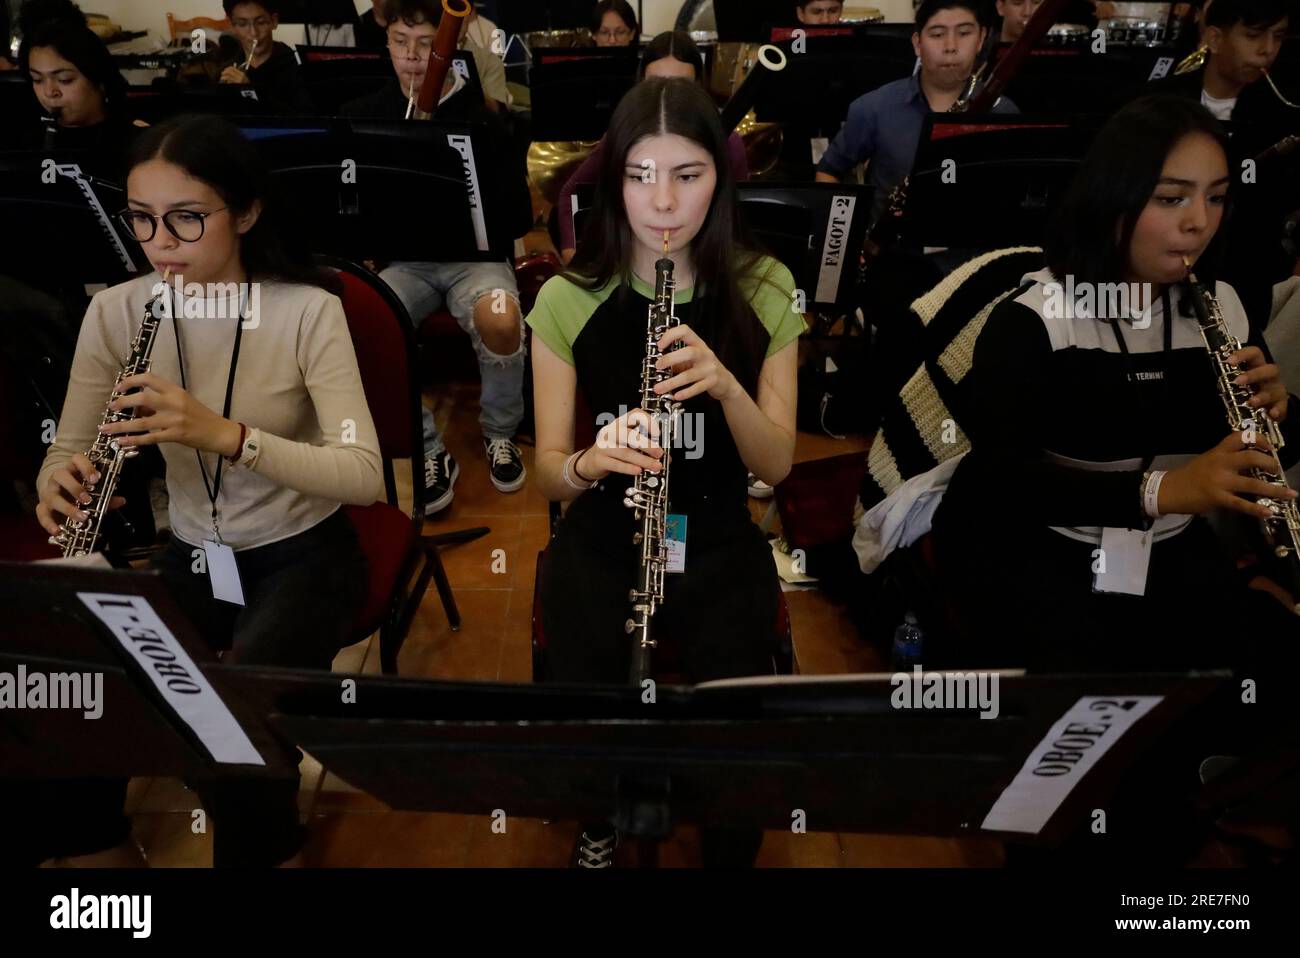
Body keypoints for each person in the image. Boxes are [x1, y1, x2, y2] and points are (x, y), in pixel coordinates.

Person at [29, 113, 382, 867]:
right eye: (143, 220)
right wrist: (58, 481)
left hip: (304, 552)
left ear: (246, 212)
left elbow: (364, 474)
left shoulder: (306, 310)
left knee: (227, 721)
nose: (161, 245)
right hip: (190, 551)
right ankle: (104, 864)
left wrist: (226, 435)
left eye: (187, 219)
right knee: (73, 695)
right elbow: (65, 443)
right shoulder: (116, 311)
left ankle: (267, 848)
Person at [527, 78, 804, 867]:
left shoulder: (766, 286)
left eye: (688, 175)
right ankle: (600, 811)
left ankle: (727, 829)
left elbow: (776, 464)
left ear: (721, 178)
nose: (664, 203)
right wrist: (589, 461)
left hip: (717, 526)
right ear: (613, 182)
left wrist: (724, 384)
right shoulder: (566, 297)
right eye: (641, 175)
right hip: (609, 524)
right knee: (584, 672)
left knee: (736, 702)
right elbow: (549, 474)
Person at [929, 94, 1300, 675]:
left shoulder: (1222, 304)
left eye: (1217, 197)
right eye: (1171, 198)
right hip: (1044, 549)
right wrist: (1161, 491)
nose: (1198, 221)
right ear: (1114, 199)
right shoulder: (1035, 317)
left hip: (1172, 548)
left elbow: (1258, 456)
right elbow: (1004, 482)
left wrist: (1280, 416)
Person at [341, 0, 530, 512]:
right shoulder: (364, 115)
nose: (413, 58)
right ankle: (427, 447)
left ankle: (499, 431)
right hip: (406, 262)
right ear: (386, 44)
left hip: (476, 258)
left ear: (449, 48)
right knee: (359, 324)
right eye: (401, 43)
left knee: (500, 318)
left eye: (426, 44)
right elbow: (349, 207)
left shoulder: (484, 116)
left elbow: (517, 215)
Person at [814, 0, 1018, 227]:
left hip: (975, 254)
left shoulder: (1003, 112)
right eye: (937, 34)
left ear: (981, 38)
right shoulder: (873, 108)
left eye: (964, 33)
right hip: (895, 257)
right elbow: (828, 171)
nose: (950, 46)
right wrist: (846, 237)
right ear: (917, 44)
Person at [555, 31, 750, 265]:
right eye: (655, 84)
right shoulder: (621, 137)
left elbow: (739, 213)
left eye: (688, 176)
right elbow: (570, 191)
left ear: (700, 85)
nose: (667, 96)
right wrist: (571, 252)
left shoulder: (729, 142)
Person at [18, 16, 136, 169]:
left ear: (99, 78)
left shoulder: (137, 143)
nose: (49, 92)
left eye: (64, 79)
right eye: (37, 79)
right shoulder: (26, 141)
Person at [1151, 0, 1290, 124]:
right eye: (1253, 36)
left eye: (1278, 37)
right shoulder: (1160, 102)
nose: (1269, 49)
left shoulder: (1281, 111)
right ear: (1215, 39)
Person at [216, 0, 315, 113]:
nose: (253, 33)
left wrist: (250, 92)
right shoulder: (227, 69)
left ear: (274, 21)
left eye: (261, 22)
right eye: (243, 24)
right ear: (231, 25)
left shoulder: (296, 66)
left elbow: (305, 119)